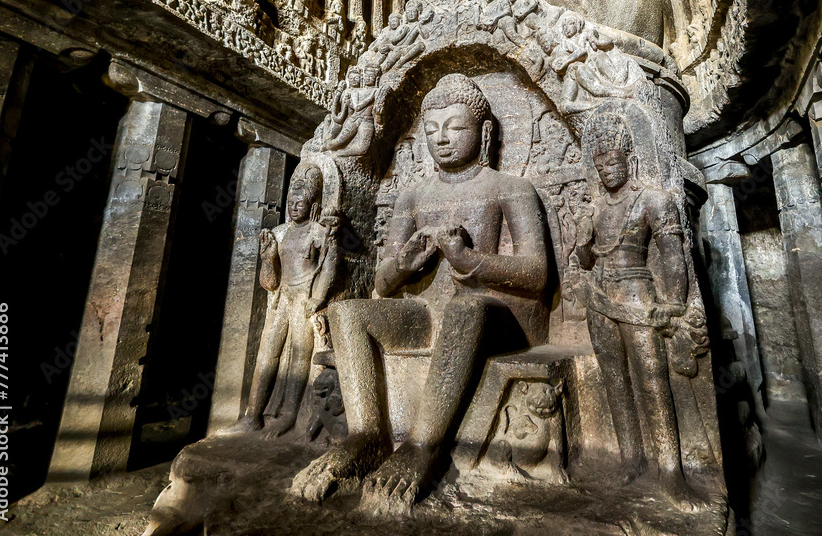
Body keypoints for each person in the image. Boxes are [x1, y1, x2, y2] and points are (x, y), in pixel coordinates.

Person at [290, 73, 549, 516]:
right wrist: (404, 265)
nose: (441, 139)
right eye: (431, 130)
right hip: (429, 312)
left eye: (455, 127)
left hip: (497, 312)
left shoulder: (509, 188)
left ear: (485, 133)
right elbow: (383, 283)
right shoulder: (413, 196)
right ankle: (367, 435)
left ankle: (423, 446)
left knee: (466, 309)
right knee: (351, 311)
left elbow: (538, 273)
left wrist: (472, 262)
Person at [573, 111, 704, 511]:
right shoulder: (594, 209)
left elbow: (673, 255)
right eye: (600, 166)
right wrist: (581, 241)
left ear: (629, 160)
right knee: (614, 378)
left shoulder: (654, 199)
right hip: (599, 299)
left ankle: (671, 469)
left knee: (652, 378)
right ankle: (632, 457)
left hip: (638, 296)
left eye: (613, 162)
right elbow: (582, 261)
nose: (607, 171)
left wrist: (674, 303)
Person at [220, 165, 339, 438]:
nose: (294, 207)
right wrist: (268, 260)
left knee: (300, 356)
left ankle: (288, 415)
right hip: (281, 299)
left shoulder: (318, 233)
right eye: (290, 202)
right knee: (266, 354)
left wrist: (318, 297)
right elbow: (269, 283)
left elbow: (331, 265)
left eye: (301, 203)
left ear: (312, 205)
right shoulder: (281, 232)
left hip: (304, 298)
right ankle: (252, 415)